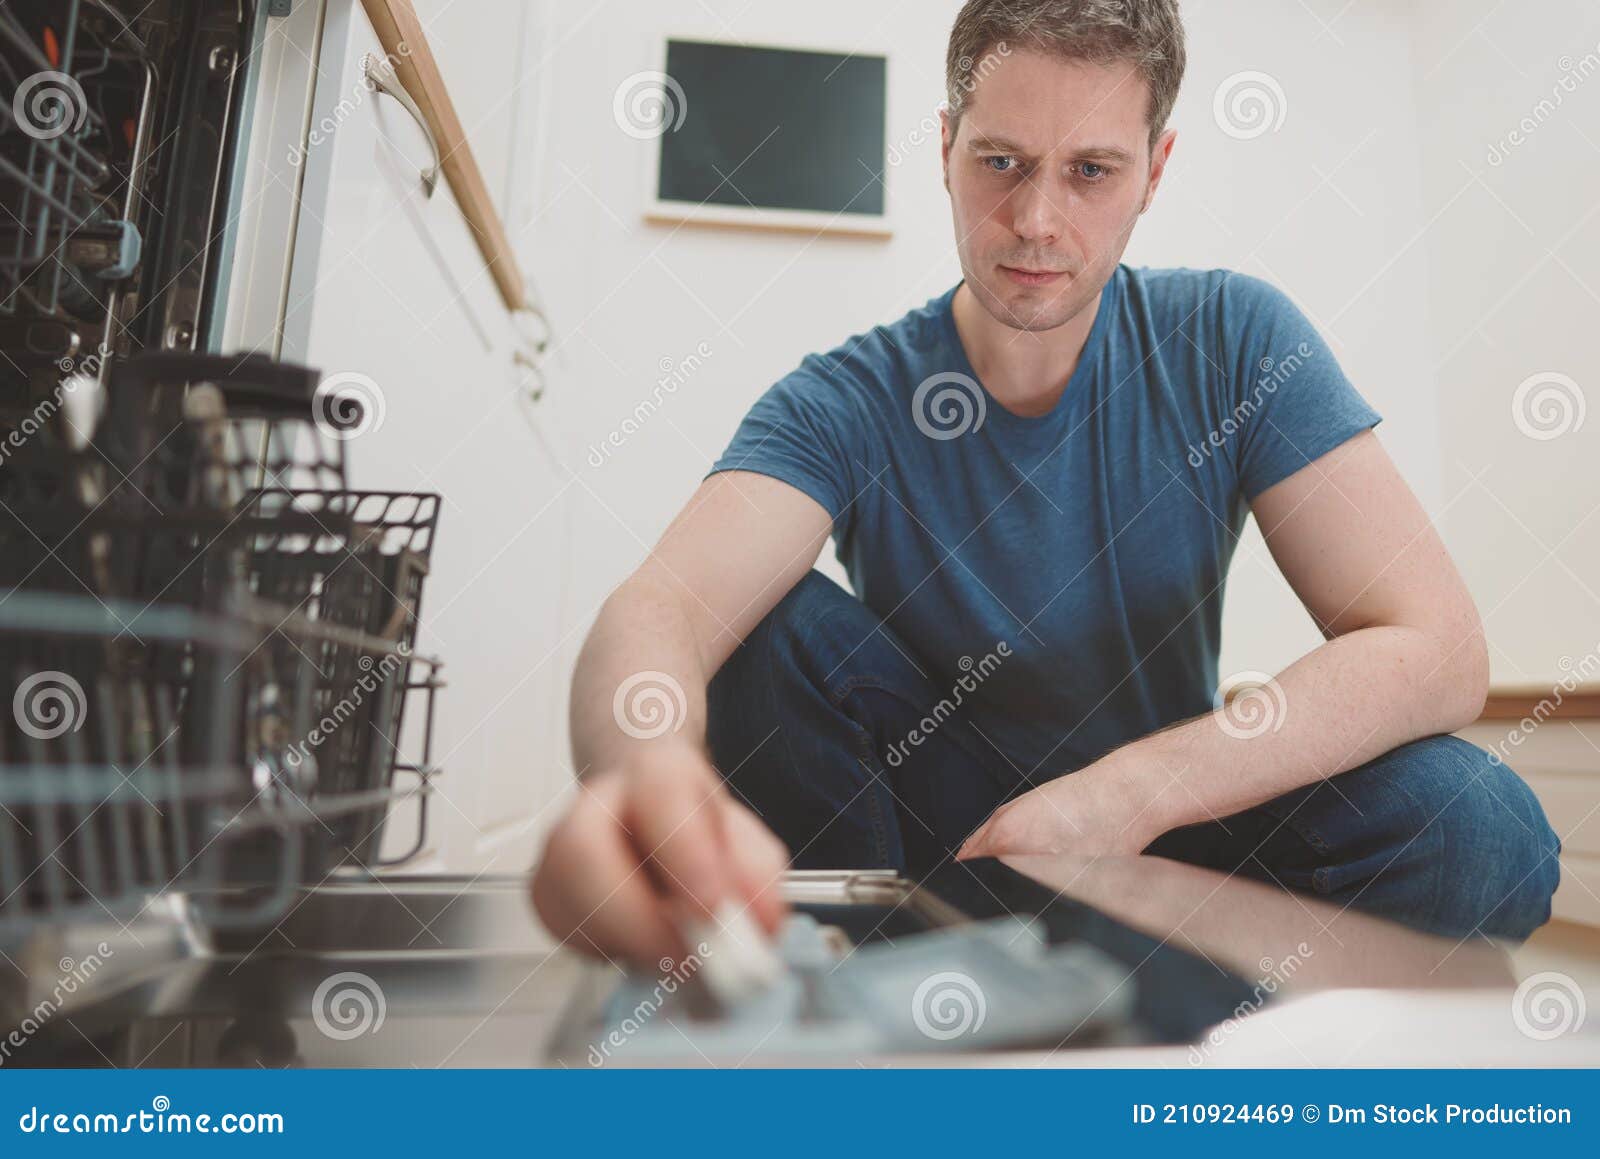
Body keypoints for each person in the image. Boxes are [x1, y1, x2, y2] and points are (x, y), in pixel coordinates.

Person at [532, 0, 1560, 967]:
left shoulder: (1234, 340)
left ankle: (1157, 989)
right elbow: (663, 606)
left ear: (1155, 172)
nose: (1035, 219)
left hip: (1167, 845)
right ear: (943, 149)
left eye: (1091, 172)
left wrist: (1131, 791)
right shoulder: (844, 399)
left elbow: (1437, 647)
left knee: (1479, 828)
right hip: (946, 851)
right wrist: (641, 779)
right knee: (762, 632)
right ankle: (893, 983)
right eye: (1001, 162)